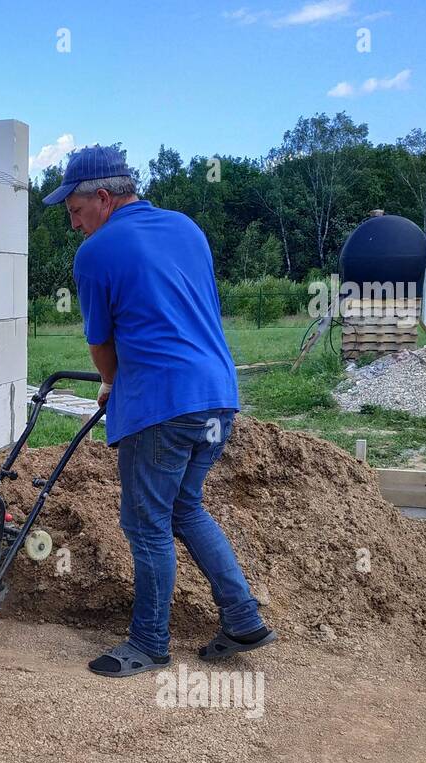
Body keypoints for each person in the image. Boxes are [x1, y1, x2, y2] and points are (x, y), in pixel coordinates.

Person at [41, 144, 276, 677]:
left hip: (163, 405)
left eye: (75, 212)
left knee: (146, 525)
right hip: (217, 395)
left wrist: (110, 384)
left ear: (102, 198)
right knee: (185, 508)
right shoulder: (187, 228)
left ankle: (149, 643)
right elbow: (188, 311)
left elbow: (101, 342)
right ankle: (242, 617)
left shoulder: (96, 253)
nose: (74, 225)